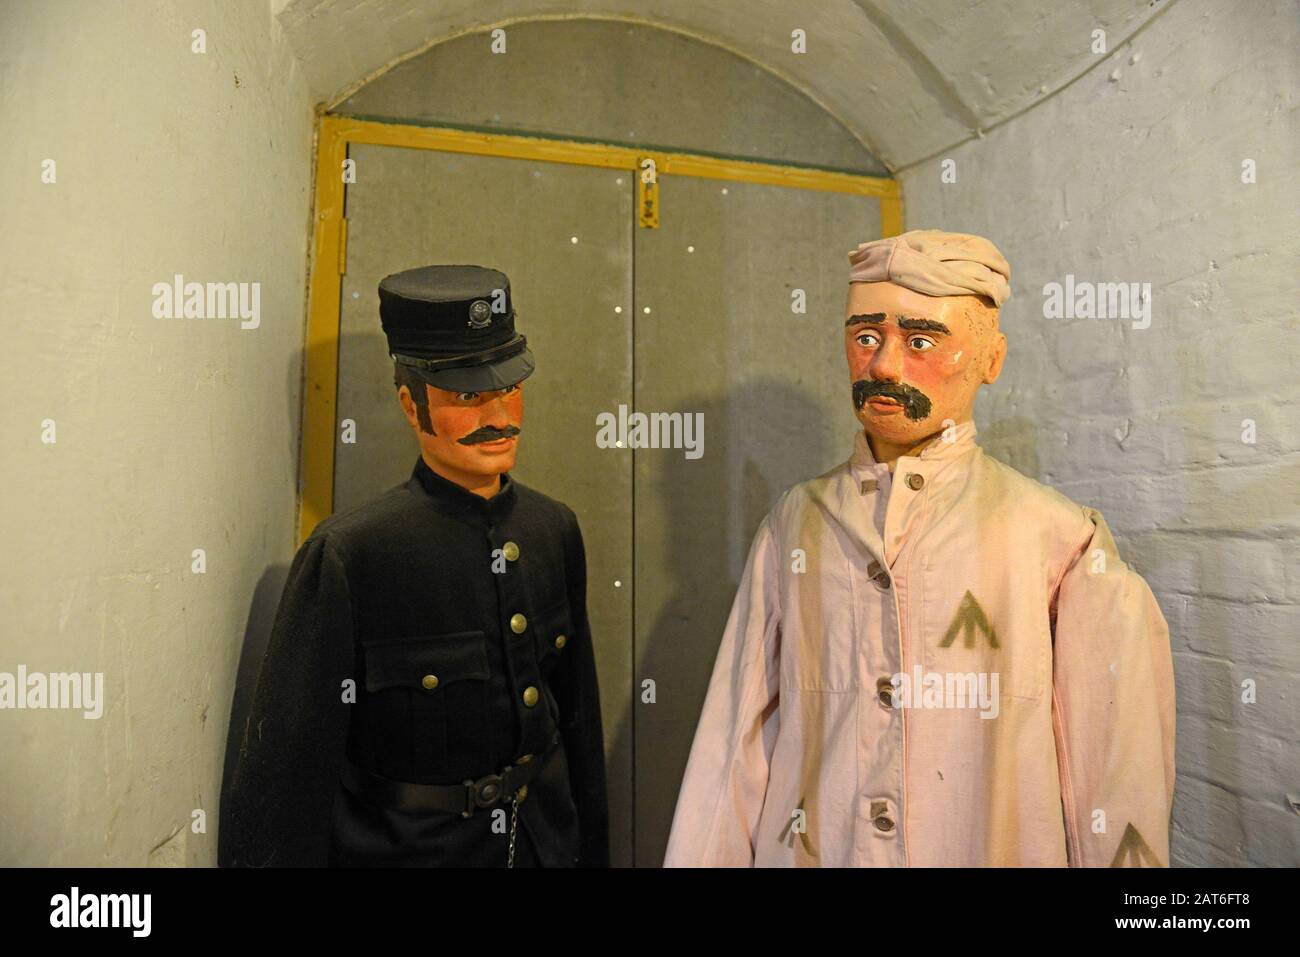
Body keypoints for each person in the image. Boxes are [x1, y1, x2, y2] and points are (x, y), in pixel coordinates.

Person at [663, 230, 1175, 867]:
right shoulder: (795, 524)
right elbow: (732, 744)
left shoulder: (1057, 540)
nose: (883, 366)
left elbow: (1114, 774)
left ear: (991, 360)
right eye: (866, 336)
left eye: (922, 340)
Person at [224, 265, 609, 867]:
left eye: (509, 388)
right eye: (467, 397)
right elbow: (289, 780)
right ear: (411, 404)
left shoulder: (550, 529)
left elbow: (578, 725)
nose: (501, 416)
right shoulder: (355, 554)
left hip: (542, 845)